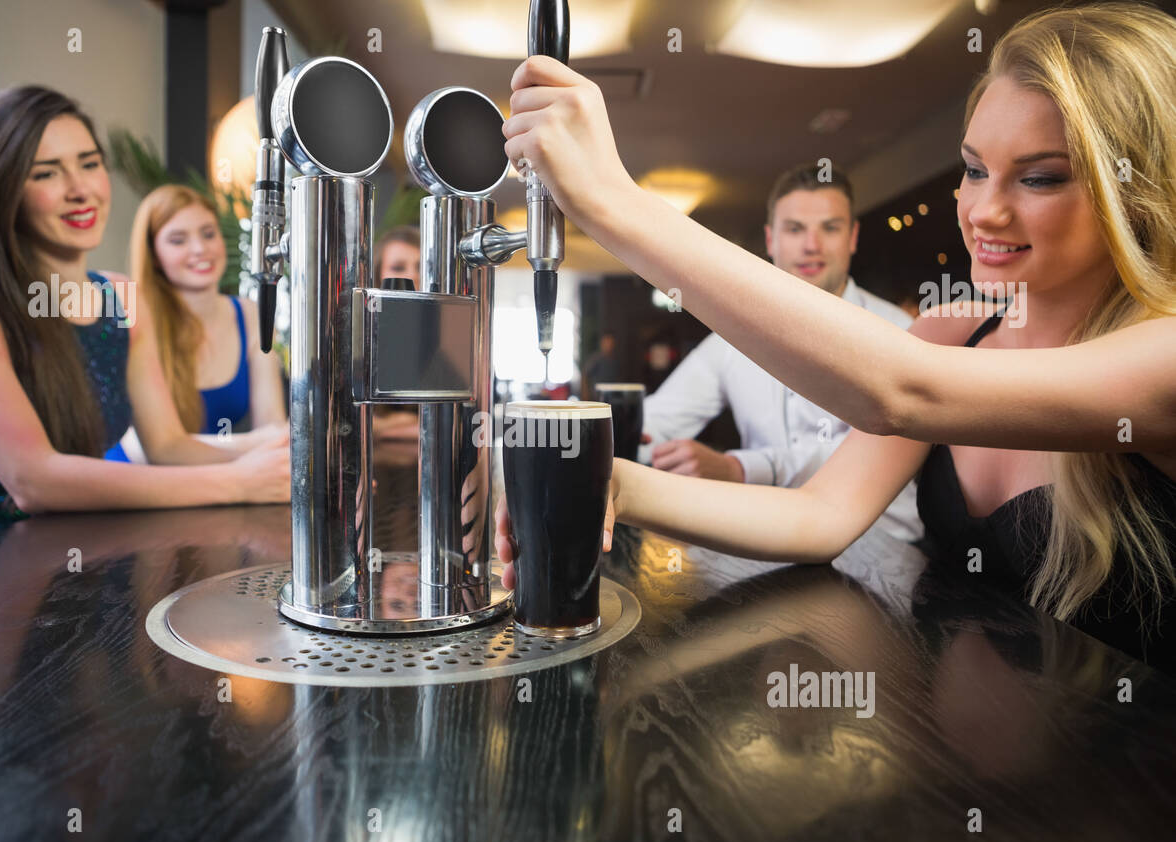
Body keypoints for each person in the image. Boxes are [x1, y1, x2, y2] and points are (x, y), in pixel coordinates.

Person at [496, 3, 1176, 675]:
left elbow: (900, 390)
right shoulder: (953, 328)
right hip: (947, 775)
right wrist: (611, 483)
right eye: (973, 170)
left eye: (1040, 178)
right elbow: (821, 515)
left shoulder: (1162, 352)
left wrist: (613, 203)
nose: (983, 210)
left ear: (1139, 189)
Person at [0, 86, 288, 556]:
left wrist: (278, 451)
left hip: (63, 553)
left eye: (89, 163)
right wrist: (238, 482)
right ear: (3, 191)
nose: (80, 189)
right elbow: (32, 479)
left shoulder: (121, 295)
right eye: (46, 173)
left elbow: (168, 446)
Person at [640, 163, 921, 543]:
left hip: (883, 552)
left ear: (852, 237)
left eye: (830, 228)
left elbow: (851, 456)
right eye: (795, 229)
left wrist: (736, 468)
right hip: (766, 543)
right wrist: (628, 441)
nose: (811, 245)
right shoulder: (733, 337)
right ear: (771, 241)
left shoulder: (901, 335)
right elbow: (658, 420)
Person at [106, 184, 286, 461]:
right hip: (135, 487)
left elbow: (274, 429)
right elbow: (146, 449)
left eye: (208, 234)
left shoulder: (250, 315)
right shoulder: (130, 314)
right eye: (178, 240)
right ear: (154, 255)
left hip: (216, 483)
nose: (200, 249)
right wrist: (254, 447)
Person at [371, 224, 422, 440]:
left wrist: (382, 426)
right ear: (377, 275)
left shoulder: (444, 341)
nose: (412, 275)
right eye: (399, 268)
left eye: (421, 267)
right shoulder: (362, 340)